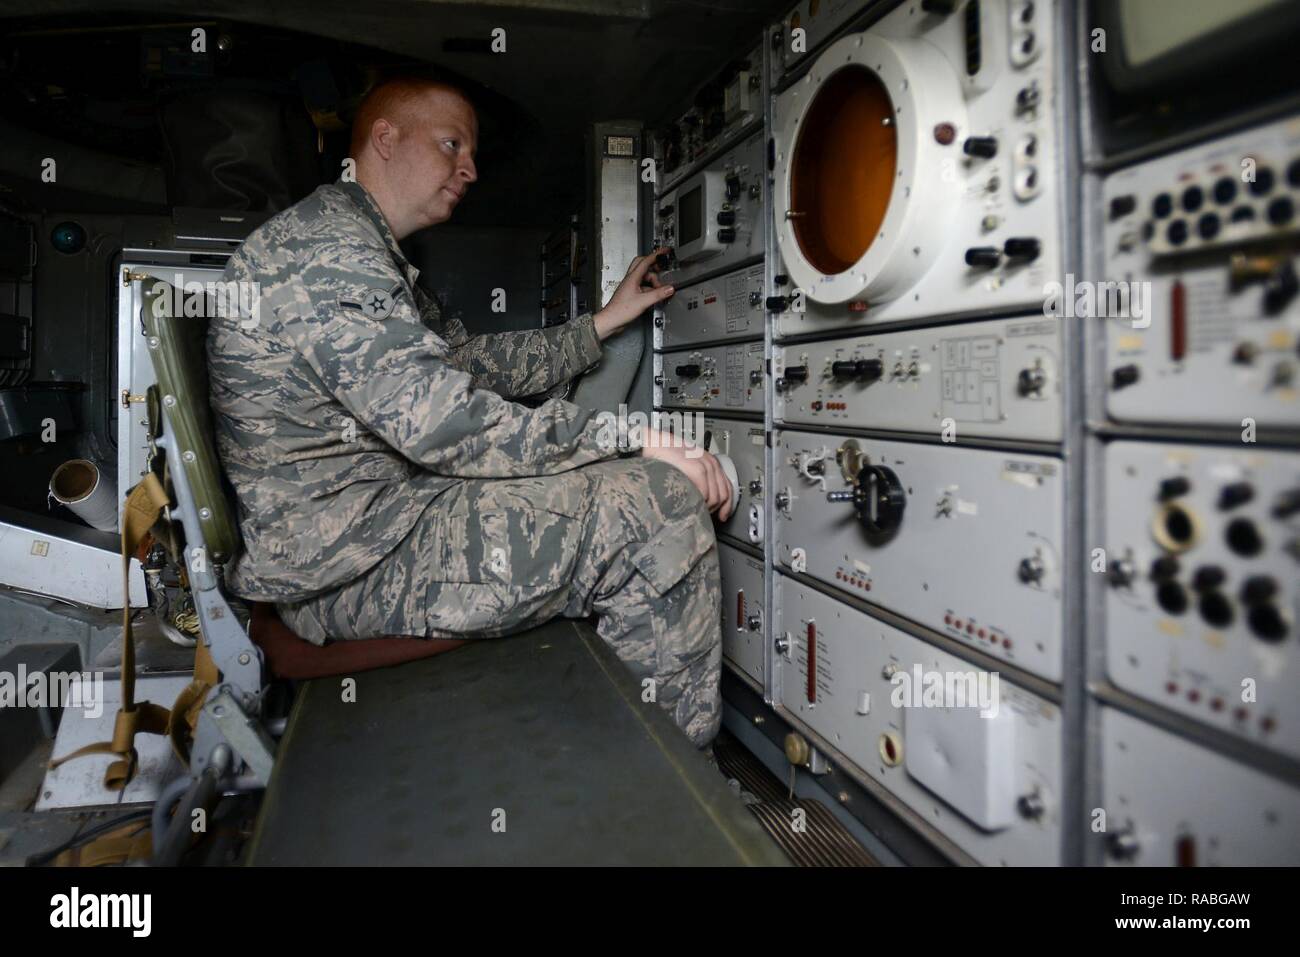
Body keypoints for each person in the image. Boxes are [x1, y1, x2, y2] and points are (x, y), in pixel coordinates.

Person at [207, 77, 732, 745]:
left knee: (613, 483)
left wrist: (600, 325)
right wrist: (636, 440)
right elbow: (443, 421)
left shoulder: (352, 242)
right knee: (656, 507)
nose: (471, 169)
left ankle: (617, 765)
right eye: (452, 144)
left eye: (472, 152)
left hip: (373, 530)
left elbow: (469, 365)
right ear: (385, 139)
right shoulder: (327, 252)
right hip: (352, 567)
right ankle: (677, 802)